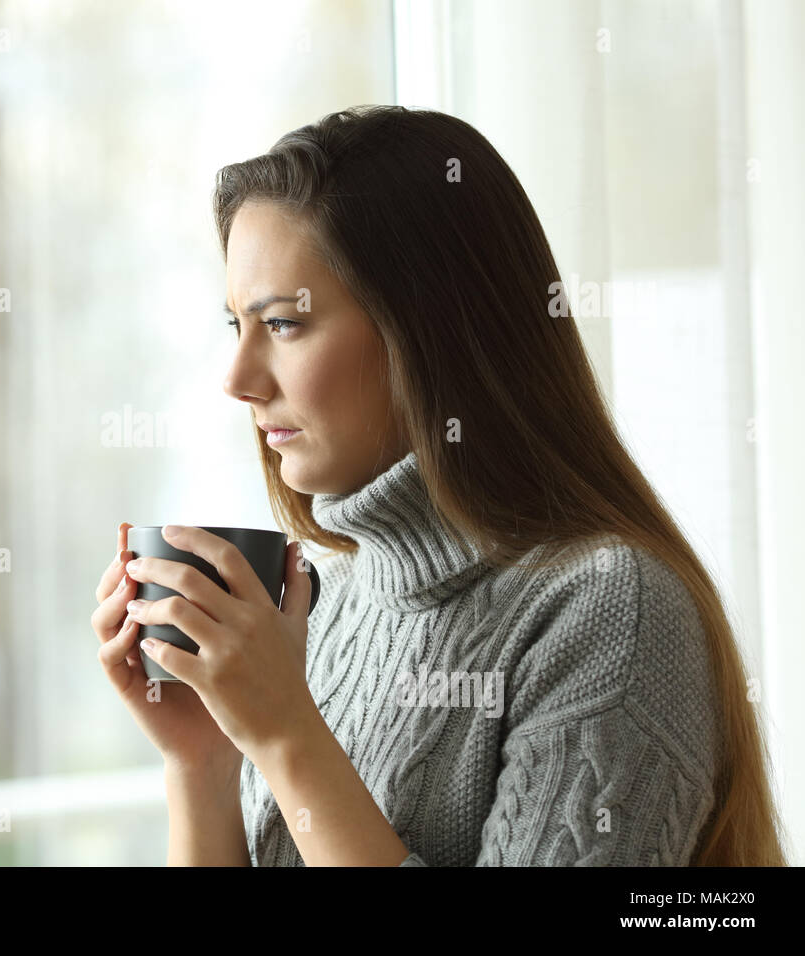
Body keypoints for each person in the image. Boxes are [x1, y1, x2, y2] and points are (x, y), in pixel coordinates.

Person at [90, 105, 785, 866]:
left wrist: (286, 738)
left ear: (429, 327)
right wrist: (204, 763)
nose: (237, 379)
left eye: (284, 323)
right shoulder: (322, 605)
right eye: (236, 327)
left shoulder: (613, 610)